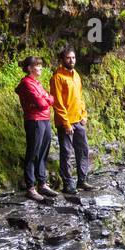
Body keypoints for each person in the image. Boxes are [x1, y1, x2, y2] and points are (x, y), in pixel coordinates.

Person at [50, 47, 94, 194]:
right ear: (62, 60)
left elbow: (80, 97)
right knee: (66, 153)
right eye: (68, 58)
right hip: (65, 123)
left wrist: (84, 114)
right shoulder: (57, 77)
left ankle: (82, 180)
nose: (72, 60)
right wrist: (66, 123)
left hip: (78, 120)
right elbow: (58, 103)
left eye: (73, 57)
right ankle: (68, 183)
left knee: (83, 150)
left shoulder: (76, 75)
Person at [15, 56, 59, 201]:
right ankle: (30, 187)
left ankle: (42, 183)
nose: (40, 68)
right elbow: (42, 102)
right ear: (29, 68)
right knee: (33, 152)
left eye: (40, 65)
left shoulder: (37, 83)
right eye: (38, 66)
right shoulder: (27, 83)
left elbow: (51, 99)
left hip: (44, 119)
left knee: (43, 152)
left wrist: (46, 98)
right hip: (34, 120)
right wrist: (46, 98)